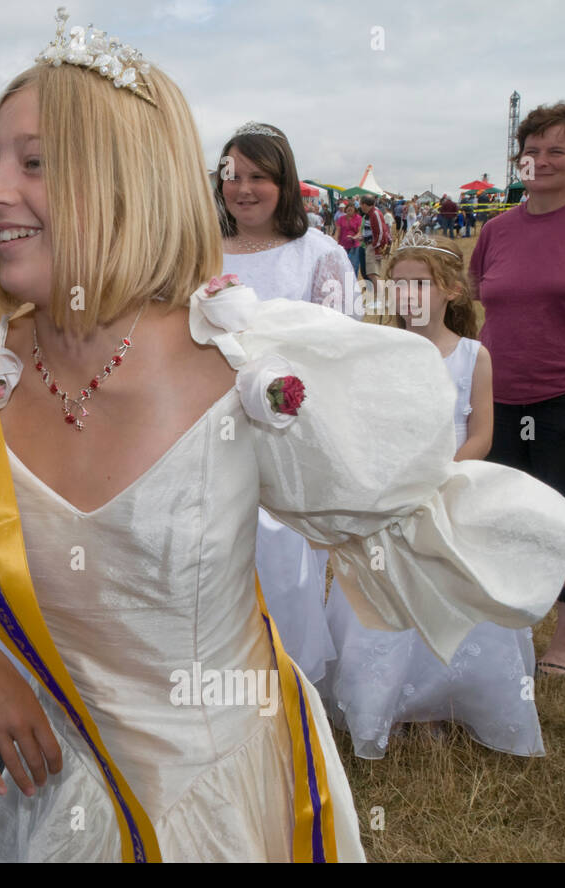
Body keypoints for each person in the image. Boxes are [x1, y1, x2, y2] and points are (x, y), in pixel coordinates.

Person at [0, 13, 565, 863]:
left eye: (34, 163)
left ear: (126, 181)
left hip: (236, 795)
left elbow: (437, 519)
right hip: (71, 793)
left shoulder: (243, 367)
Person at [321, 228, 543, 759]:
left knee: (448, 598)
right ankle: (386, 703)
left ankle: (443, 700)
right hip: (391, 501)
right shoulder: (381, 351)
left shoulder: (473, 356)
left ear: (451, 291)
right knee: (388, 602)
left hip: (447, 496)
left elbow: (483, 434)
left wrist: (439, 476)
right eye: (397, 284)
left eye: (418, 283)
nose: (407, 294)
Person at [214, 121, 354, 684]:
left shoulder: (321, 255)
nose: (243, 189)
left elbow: (341, 347)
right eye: (232, 176)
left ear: (285, 182)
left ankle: (286, 677)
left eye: (258, 177)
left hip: (286, 432)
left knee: (284, 559)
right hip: (211, 426)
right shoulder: (198, 249)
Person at [470, 101, 565, 677]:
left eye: (557, 150)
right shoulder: (496, 230)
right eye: (531, 151)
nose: (541, 161)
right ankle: (500, 633)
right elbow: (478, 300)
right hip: (497, 397)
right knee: (500, 517)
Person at [337, 200, 364, 278]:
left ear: (355, 210)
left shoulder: (359, 218)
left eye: (351, 210)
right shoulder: (341, 218)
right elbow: (337, 231)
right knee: (343, 264)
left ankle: (353, 282)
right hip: (343, 245)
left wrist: (354, 237)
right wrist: (334, 242)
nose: (349, 211)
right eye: (348, 209)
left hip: (355, 245)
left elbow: (360, 232)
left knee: (354, 265)